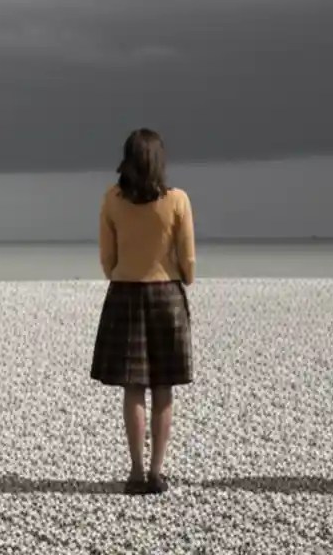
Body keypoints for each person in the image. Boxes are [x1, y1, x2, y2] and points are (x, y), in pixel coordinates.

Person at [90, 127, 196, 496]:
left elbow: (107, 258)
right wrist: (181, 276)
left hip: (125, 293)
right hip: (166, 294)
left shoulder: (111, 198)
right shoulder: (178, 200)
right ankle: (157, 472)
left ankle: (135, 472)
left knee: (133, 385)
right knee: (163, 385)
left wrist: (123, 274)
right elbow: (189, 260)